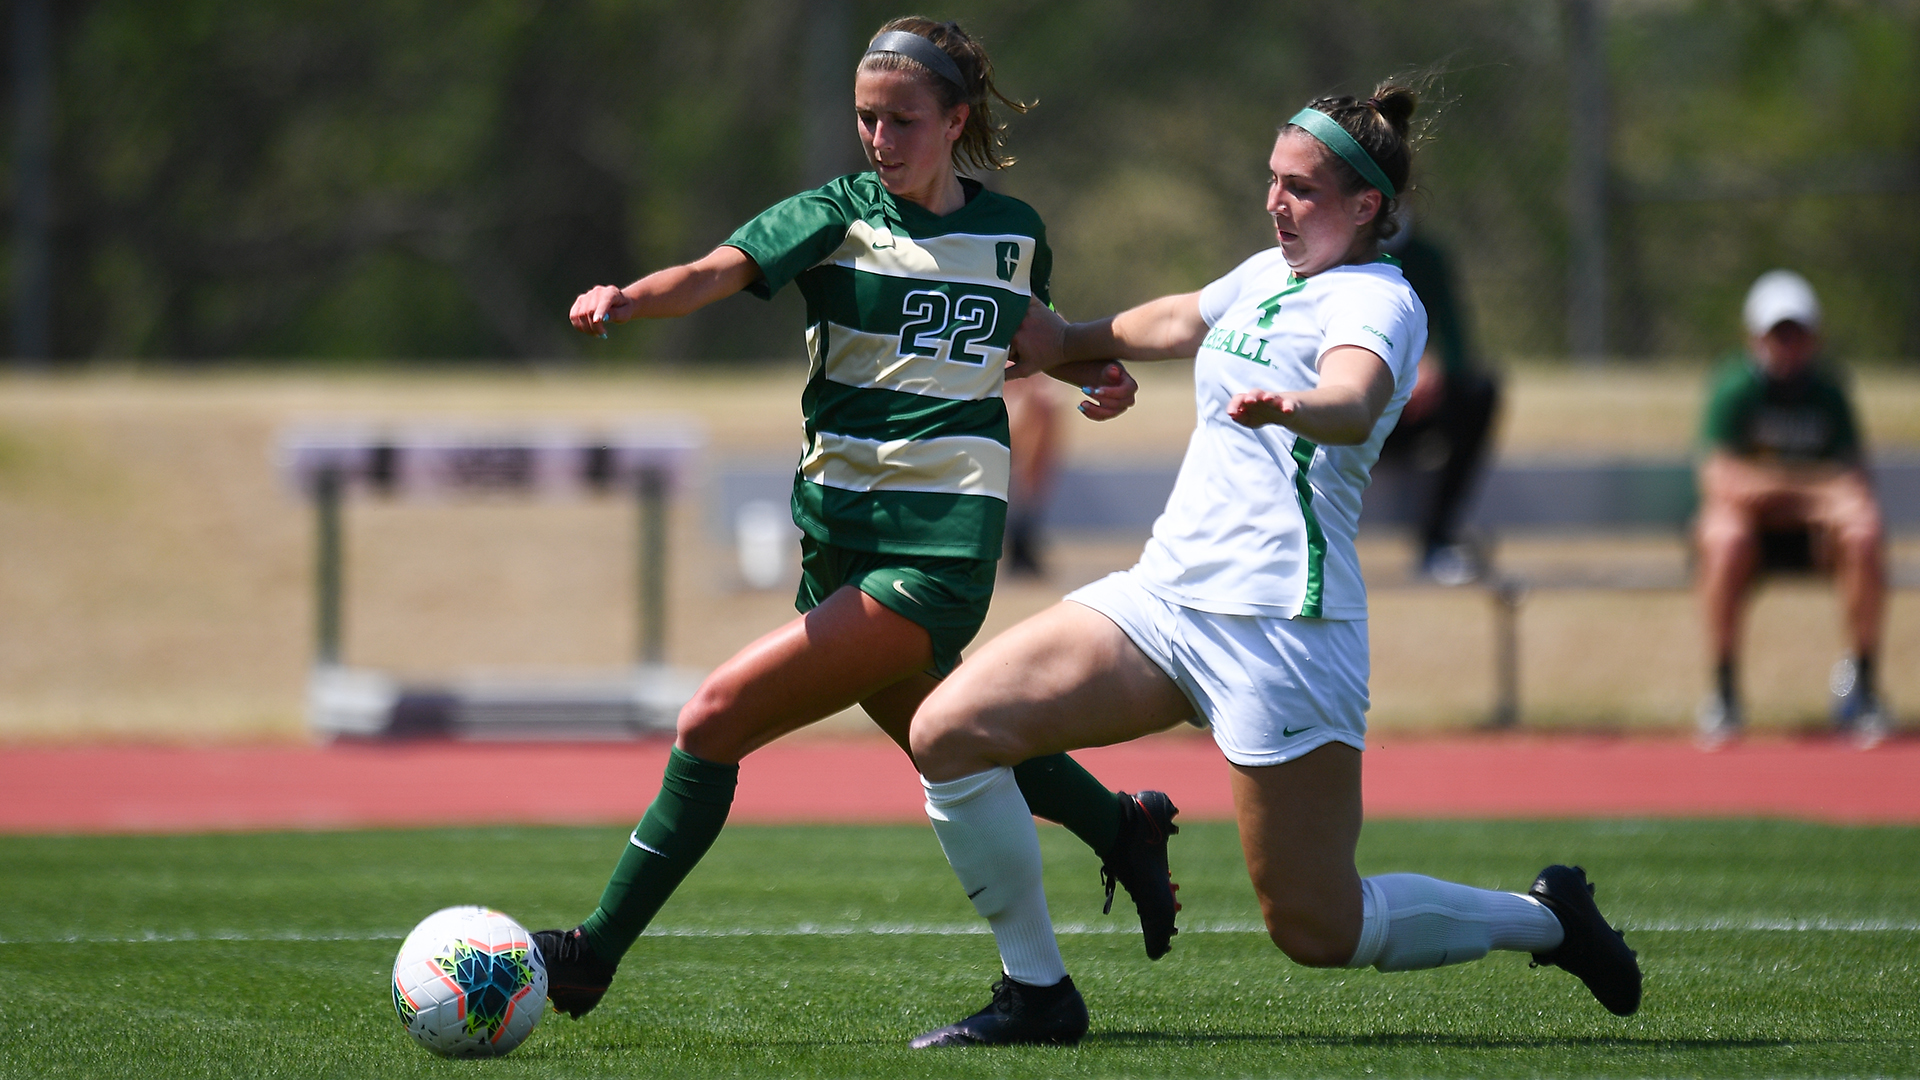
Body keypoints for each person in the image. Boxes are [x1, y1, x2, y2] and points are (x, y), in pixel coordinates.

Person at [902, 83, 1642, 1048]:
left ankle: (1549, 919)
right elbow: (1180, 318)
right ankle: (1038, 993)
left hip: (1283, 629)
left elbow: (1354, 396)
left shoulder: (1381, 299)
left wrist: (1294, 406)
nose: (1274, 202)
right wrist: (1066, 345)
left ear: (1366, 205)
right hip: (1166, 600)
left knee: (1316, 927)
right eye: (1272, 180)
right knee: (948, 730)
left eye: (1299, 188)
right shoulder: (1266, 273)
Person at [536, 18, 1183, 1020]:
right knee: (946, 732)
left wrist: (1100, 375)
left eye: (902, 120)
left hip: (941, 544)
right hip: (838, 540)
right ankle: (1120, 828)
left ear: (955, 121)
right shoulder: (834, 216)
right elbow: (712, 272)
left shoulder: (1014, 232)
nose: (880, 138)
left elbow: (1036, 339)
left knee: (713, 720)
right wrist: (629, 297)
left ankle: (592, 954)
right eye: (866, 118)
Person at [1694, 269, 1890, 748]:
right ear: (1755, 337)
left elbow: (1855, 485)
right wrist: (1815, 491)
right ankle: (1724, 692)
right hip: (1754, 537)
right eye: (1777, 334)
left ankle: (1863, 687)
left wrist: (1774, 488)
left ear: (1813, 338)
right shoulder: (1734, 389)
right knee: (1723, 537)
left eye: (1796, 334)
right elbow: (1723, 483)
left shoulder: (1829, 393)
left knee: (1864, 532)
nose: (1787, 346)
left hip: (1817, 541)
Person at [1376, 218, 1502, 584]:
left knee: (1477, 391)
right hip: (1347, 409)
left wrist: (1435, 367)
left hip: (1408, 413)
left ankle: (1437, 541)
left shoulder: (1426, 258)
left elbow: (1455, 339)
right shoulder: (1333, 257)